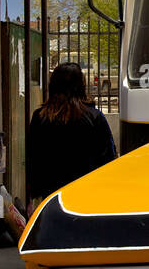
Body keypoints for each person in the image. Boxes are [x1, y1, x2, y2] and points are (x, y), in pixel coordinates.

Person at [27, 62, 117, 210]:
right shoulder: (94, 117)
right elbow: (108, 158)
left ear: (53, 85)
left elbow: (33, 157)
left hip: (51, 196)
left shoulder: (40, 117)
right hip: (86, 194)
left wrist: (33, 193)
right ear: (81, 86)